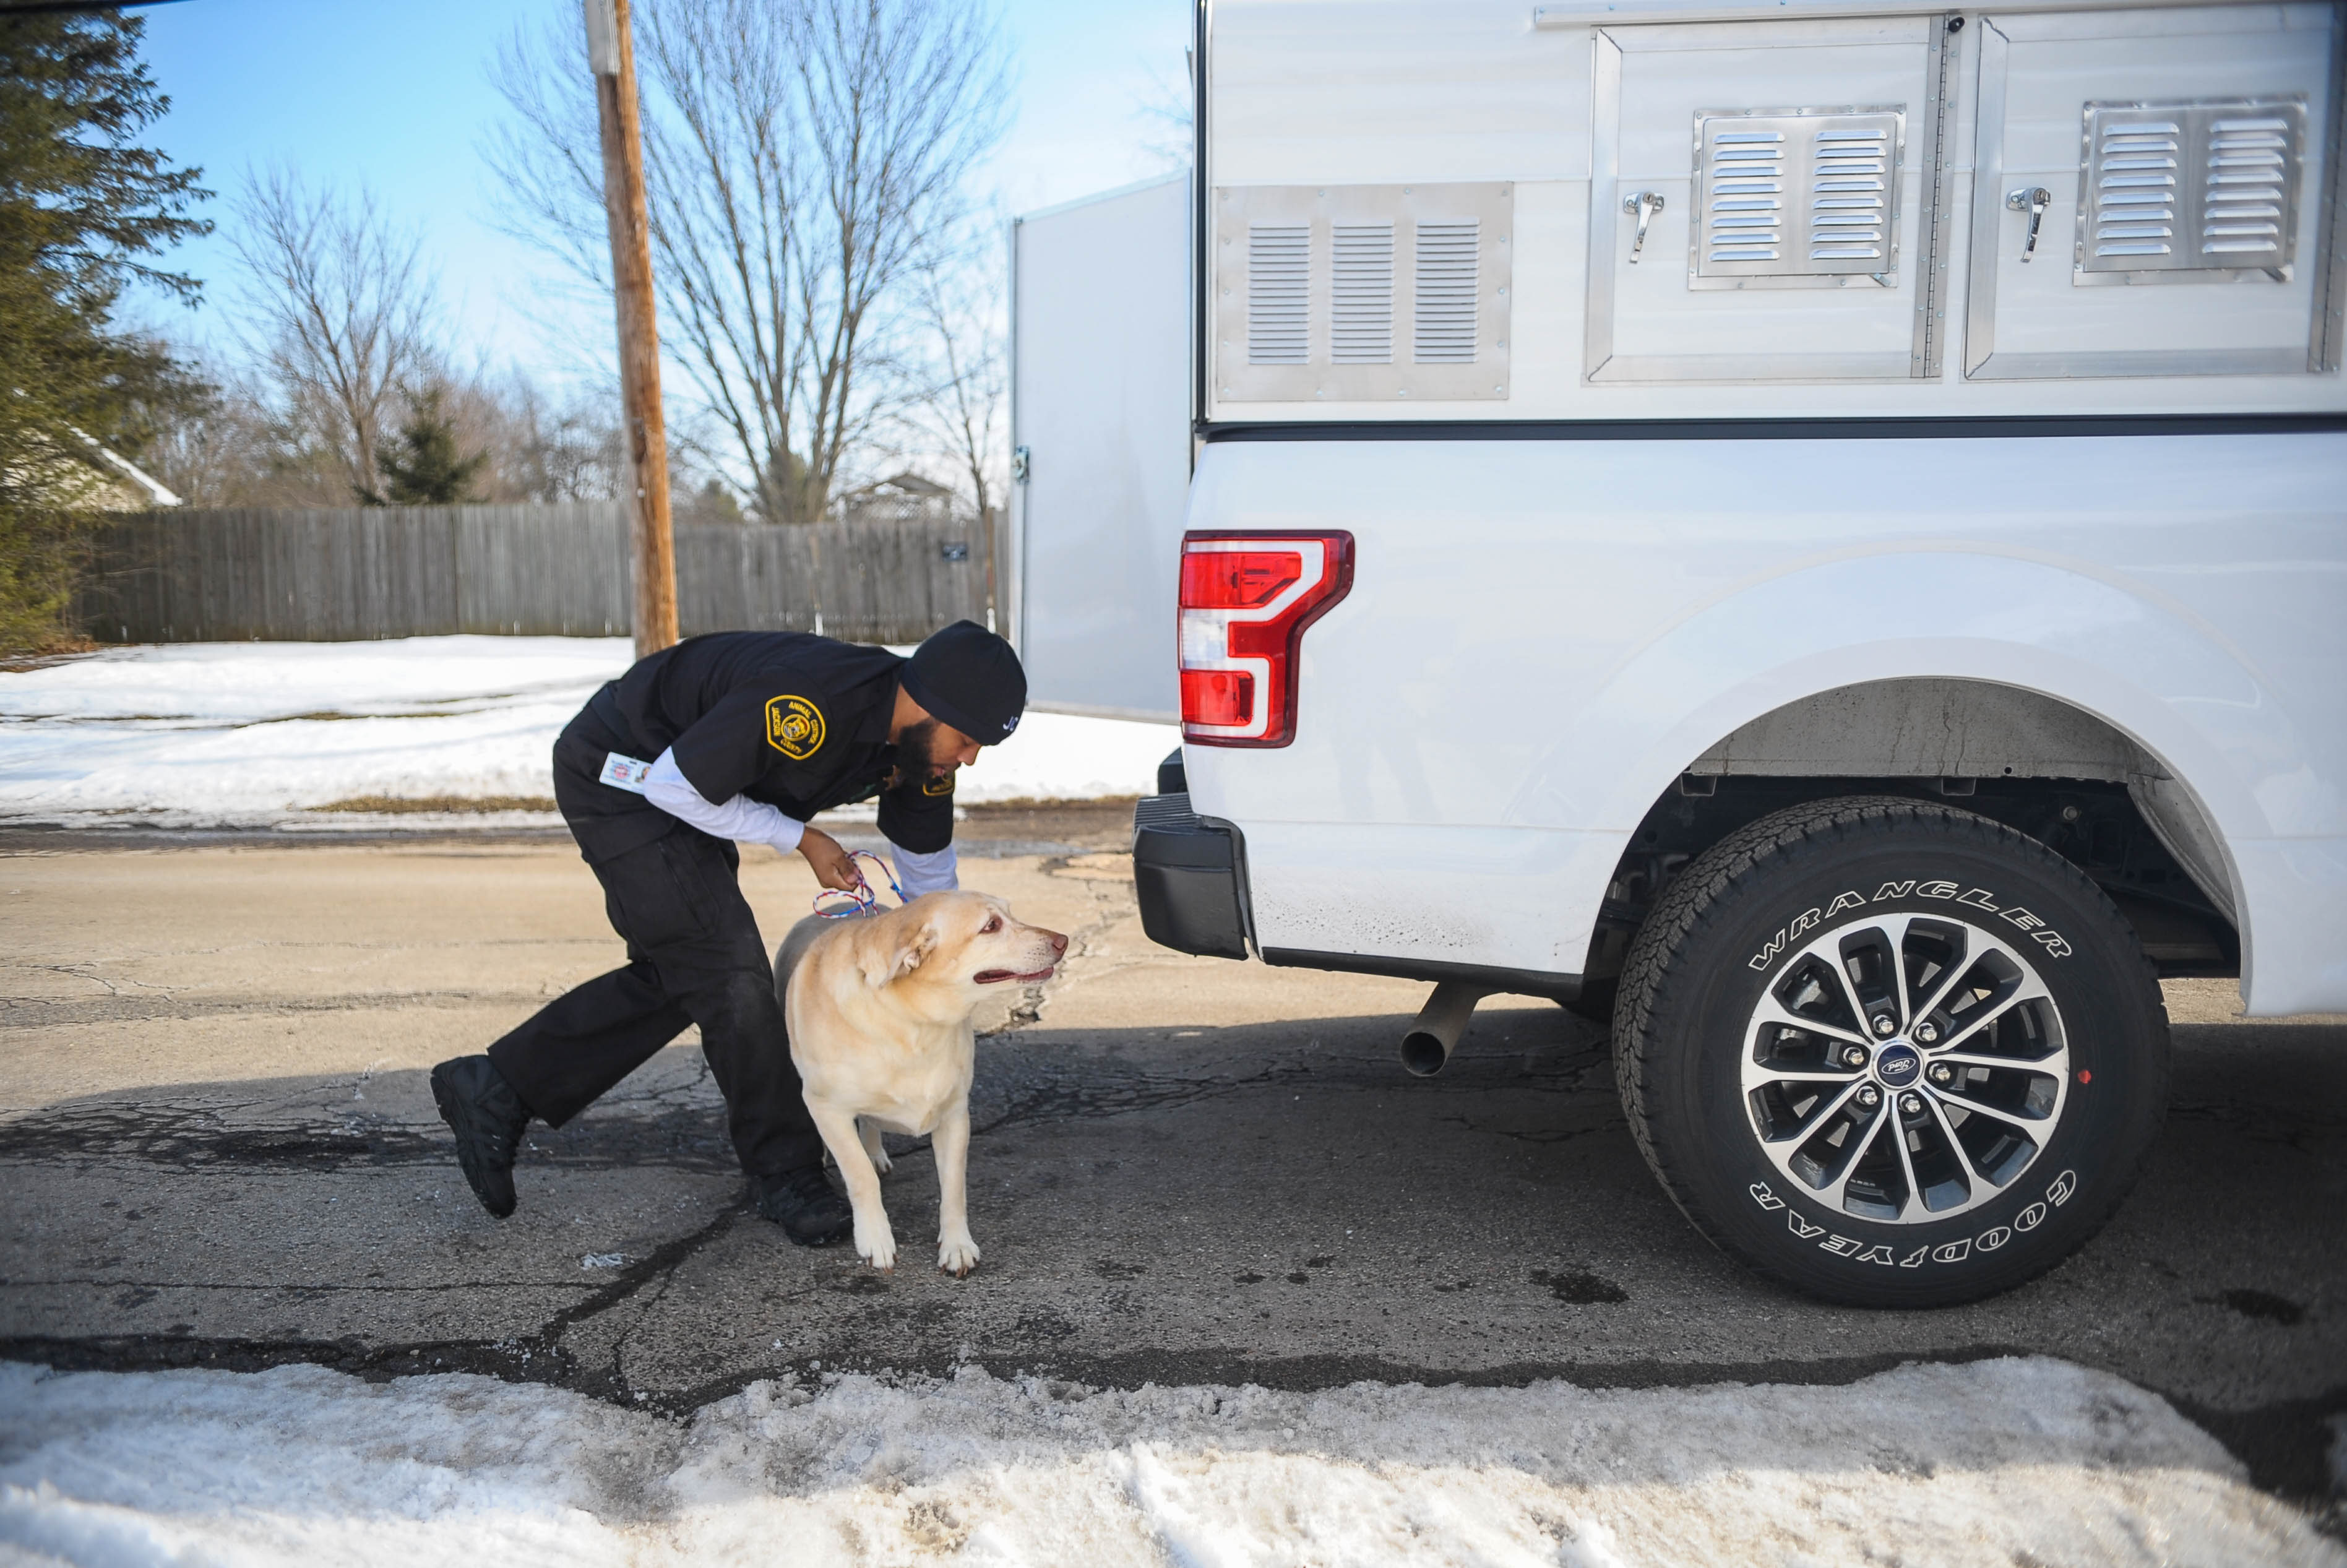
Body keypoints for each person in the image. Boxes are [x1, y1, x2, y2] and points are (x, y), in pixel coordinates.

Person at [427, 619, 1027, 1246]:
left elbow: (930, 875)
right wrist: (801, 837)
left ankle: (496, 1087)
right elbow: (672, 783)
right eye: (967, 739)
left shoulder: (921, 744)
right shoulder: (810, 700)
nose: (970, 757)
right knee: (729, 973)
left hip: (694, 788)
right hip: (625, 771)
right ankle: (785, 1171)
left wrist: (945, 949)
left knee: (690, 964)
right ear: (928, 704)